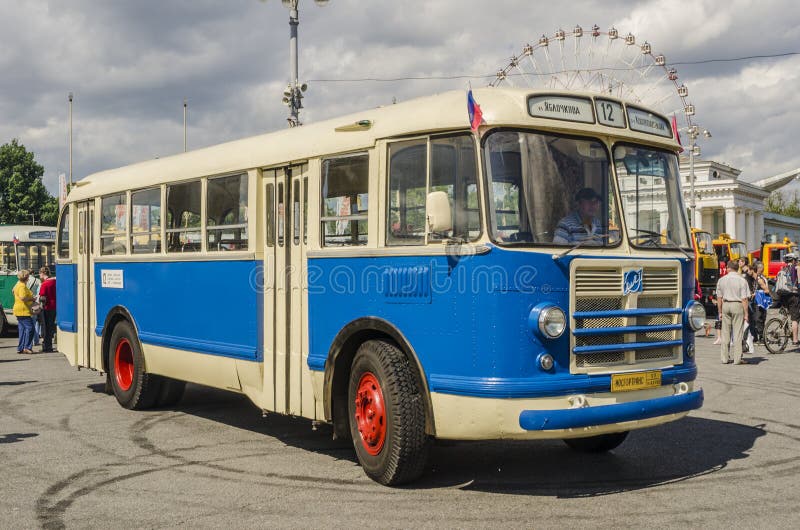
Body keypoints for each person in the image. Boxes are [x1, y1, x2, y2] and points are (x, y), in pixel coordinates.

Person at [716, 259, 751, 365]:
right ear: (737, 268)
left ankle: (724, 358)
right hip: (737, 305)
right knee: (737, 333)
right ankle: (737, 359)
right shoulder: (742, 280)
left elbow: (719, 298)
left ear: (728, 268)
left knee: (725, 332)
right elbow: (744, 299)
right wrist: (746, 314)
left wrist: (720, 311)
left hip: (726, 305)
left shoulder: (721, 280)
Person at [774, 253, 800, 345]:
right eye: (796, 260)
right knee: (795, 318)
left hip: (783, 295)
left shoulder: (782, 269)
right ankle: (795, 340)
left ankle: (785, 330)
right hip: (793, 295)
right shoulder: (797, 268)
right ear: (793, 260)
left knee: (787, 314)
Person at [12, 270, 35, 354]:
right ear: (26, 277)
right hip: (23, 310)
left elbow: (13, 291)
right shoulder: (22, 286)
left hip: (18, 309)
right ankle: (27, 347)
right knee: (31, 328)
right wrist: (32, 299)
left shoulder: (17, 284)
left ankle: (20, 348)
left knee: (22, 329)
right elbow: (23, 298)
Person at [38, 266, 57, 353]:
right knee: (50, 326)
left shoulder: (44, 284)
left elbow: (42, 297)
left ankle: (46, 346)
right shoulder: (54, 281)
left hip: (46, 307)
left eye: (40, 273)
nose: (39, 275)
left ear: (43, 273)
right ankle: (50, 346)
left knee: (45, 327)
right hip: (54, 306)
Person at [26, 270, 42, 347]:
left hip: (26, 303)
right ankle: (36, 340)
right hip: (34, 303)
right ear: (33, 273)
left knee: (28, 323)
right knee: (35, 322)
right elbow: (39, 293)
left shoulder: (24, 281)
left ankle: (29, 341)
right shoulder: (37, 281)